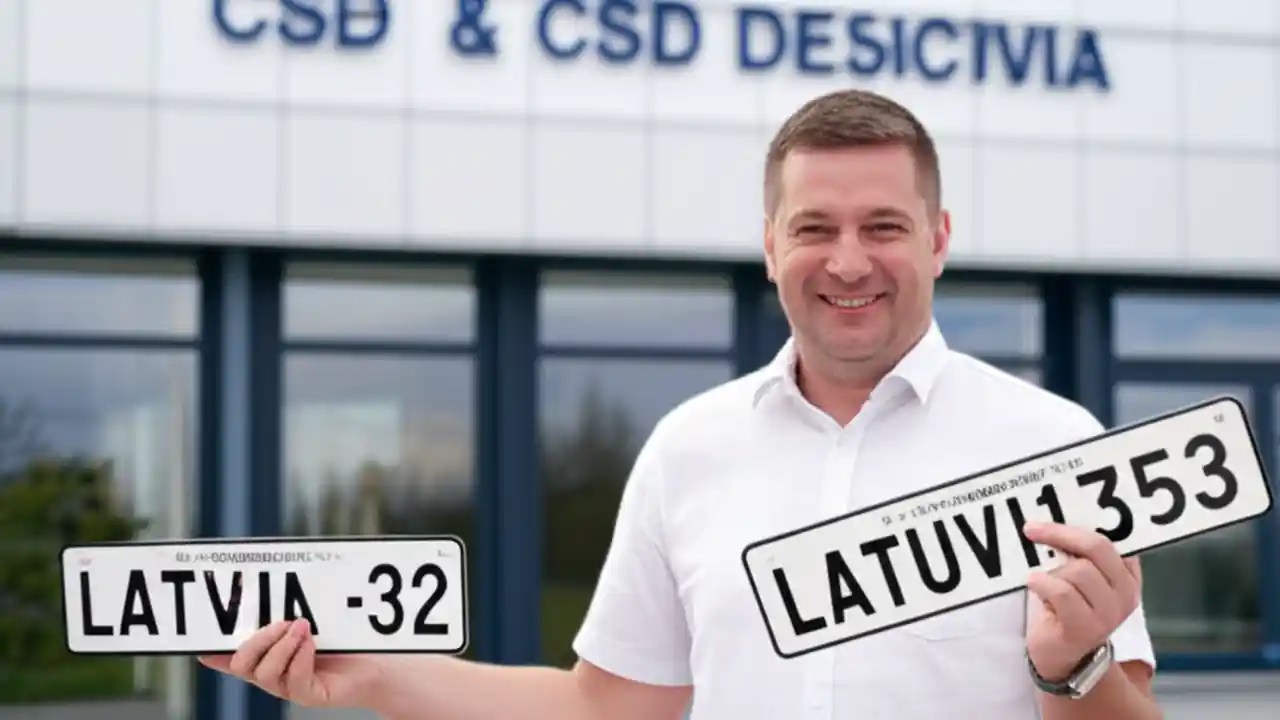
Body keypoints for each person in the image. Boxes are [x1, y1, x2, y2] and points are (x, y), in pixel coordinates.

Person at [201, 89, 1163, 719]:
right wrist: (358, 672)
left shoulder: (1054, 447)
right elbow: (603, 708)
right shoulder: (689, 449)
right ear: (769, 245)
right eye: (814, 227)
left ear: (940, 236)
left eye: (885, 226)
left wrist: (1072, 667)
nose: (849, 260)